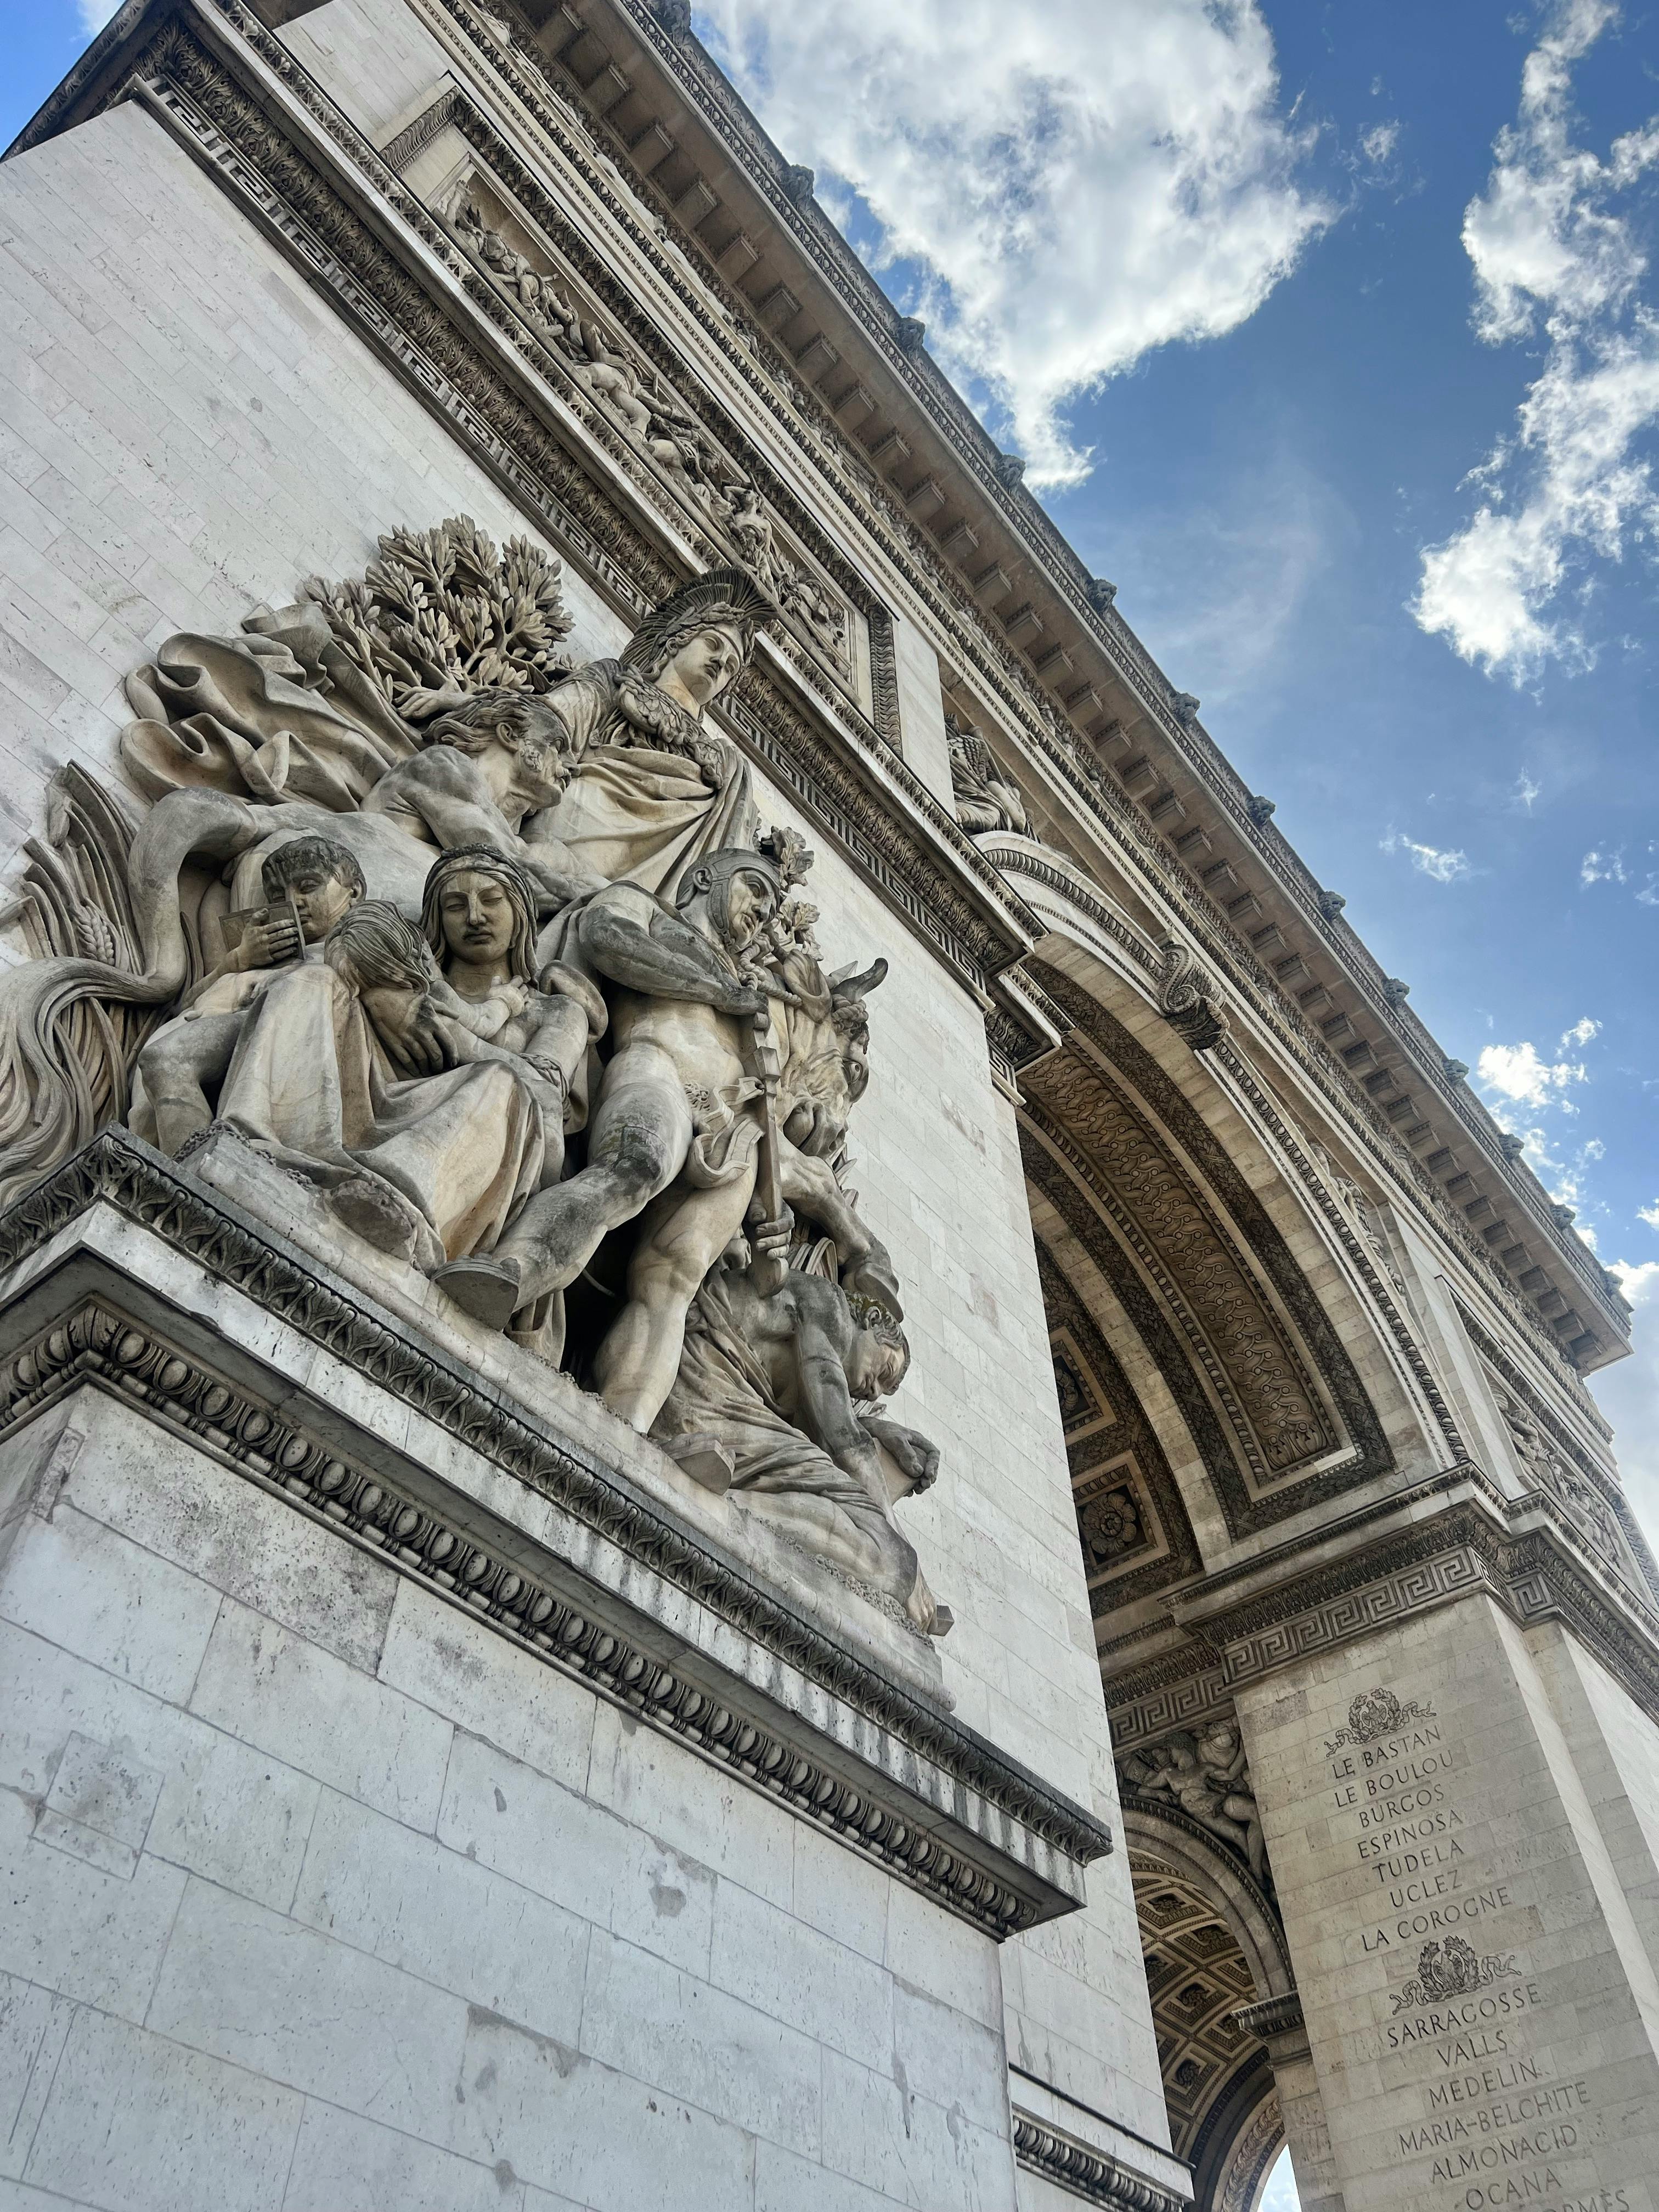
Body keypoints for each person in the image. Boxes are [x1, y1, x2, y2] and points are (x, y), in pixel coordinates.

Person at [433, 844, 785, 1421]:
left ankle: (629, 1428)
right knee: (633, 1166)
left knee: (676, 1278)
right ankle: (510, 1275)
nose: (762, 913)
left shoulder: (751, 990)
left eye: (770, 909)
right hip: (657, 1069)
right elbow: (606, 938)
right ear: (704, 878)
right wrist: (720, 992)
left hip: (736, 1132)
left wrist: (776, 1201)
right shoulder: (646, 908)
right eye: (755, 889)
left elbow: (768, 1100)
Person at [213, 847, 597, 1352]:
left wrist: (458, 1042)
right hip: (364, 1093)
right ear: (435, 919)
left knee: (505, 1085)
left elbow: (545, 1093)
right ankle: (262, 1146)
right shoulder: (409, 970)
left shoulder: (553, 1011)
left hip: (471, 1138)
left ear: (522, 914)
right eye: (455, 906)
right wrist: (377, 995)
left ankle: (401, 1204)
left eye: (491, 900)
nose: (475, 917)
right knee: (312, 980)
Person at [653, 1232, 945, 1634]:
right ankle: (710, 1503)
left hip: (716, 1402)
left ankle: (722, 1502)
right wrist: (912, 1565)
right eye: (885, 1372)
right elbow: (845, 1442)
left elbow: (827, 1423)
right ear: (873, 1320)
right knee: (892, 1560)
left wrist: (877, 1426)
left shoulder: (816, 1345)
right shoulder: (832, 1309)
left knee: (878, 1549)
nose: (874, 1390)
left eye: (884, 1390)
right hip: (705, 1392)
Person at [133, 834, 365, 1157]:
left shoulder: (354, 947)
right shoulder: (253, 953)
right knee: (161, 1065)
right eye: (277, 895)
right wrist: (237, 961)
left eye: (308, 886)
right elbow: (183, 1006)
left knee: (168, 1061)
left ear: (353, 892)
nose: (293, 901)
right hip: (187, 1043)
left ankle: (195, 1177)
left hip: (258, 1031)